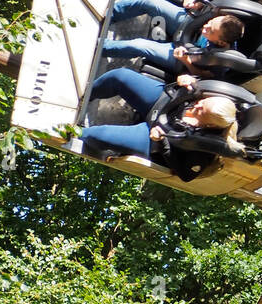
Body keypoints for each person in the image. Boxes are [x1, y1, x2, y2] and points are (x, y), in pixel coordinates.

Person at [81, 70, 242, 181]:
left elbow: (186, 175)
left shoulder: (204, 149)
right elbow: (201, 81)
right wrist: (189, 79)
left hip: (156, 137)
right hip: (163, 104)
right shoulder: (215, 98)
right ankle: (86, 93)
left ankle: (77, 133)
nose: (197, 106)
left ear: (210, 125)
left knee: (98, 135)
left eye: (201, 112)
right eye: (201, 102)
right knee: (119, 77)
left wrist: (163, 142)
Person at [102, 11, 245, 76]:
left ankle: (103, 47)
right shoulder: (220, 22)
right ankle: (112, 12)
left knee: (139, 45)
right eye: (210, 23)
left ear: (220, 41)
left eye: (210, 30)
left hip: (182, 56)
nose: (206, 27)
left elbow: (202, 75)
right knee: (150, 0)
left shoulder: (221, 62)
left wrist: (186, 61)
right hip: (188, 27)